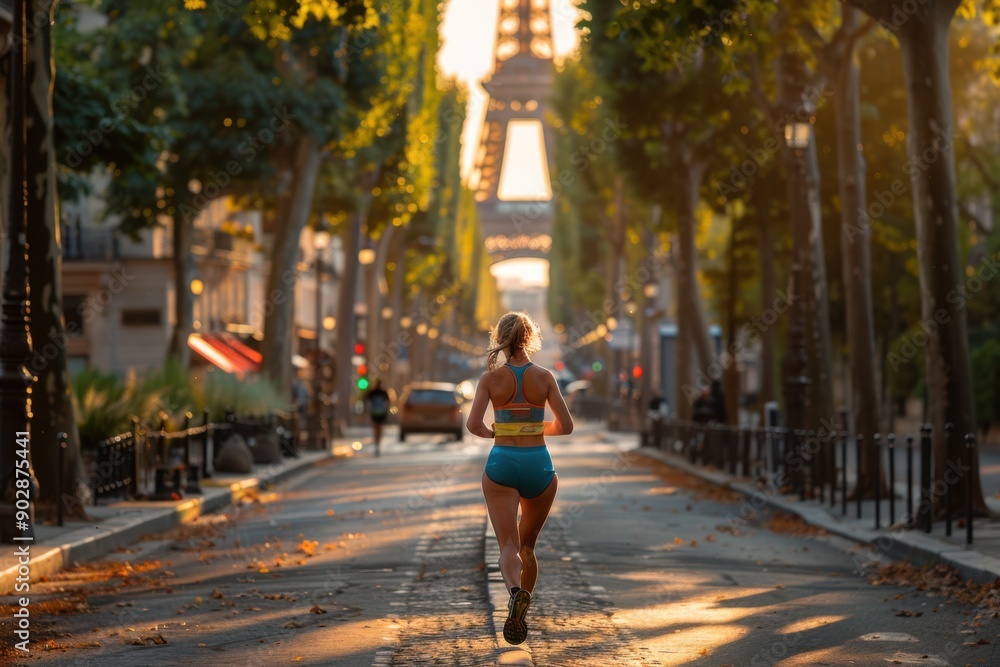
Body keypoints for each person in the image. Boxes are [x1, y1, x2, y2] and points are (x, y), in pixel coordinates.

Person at [466, 311, 574, 645]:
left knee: (508, 547)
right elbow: (566, 426)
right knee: (528, 547)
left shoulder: (490, 379)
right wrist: (535, 427)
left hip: (502, 463)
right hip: (539, 465)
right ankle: (523, 606)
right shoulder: (544, 377)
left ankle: (514, 593)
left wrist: (495, 433)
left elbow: (473, 425)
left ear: (500, 337)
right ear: (530, 337)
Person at [365, 378, 391, 456]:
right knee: (379, 429)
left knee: (376, 428)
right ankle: (377, 443)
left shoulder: (372, 393)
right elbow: (388, 403)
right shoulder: (384, 393)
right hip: (382, 414)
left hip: (374, 413)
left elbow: (367, 402)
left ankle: (376, 443)